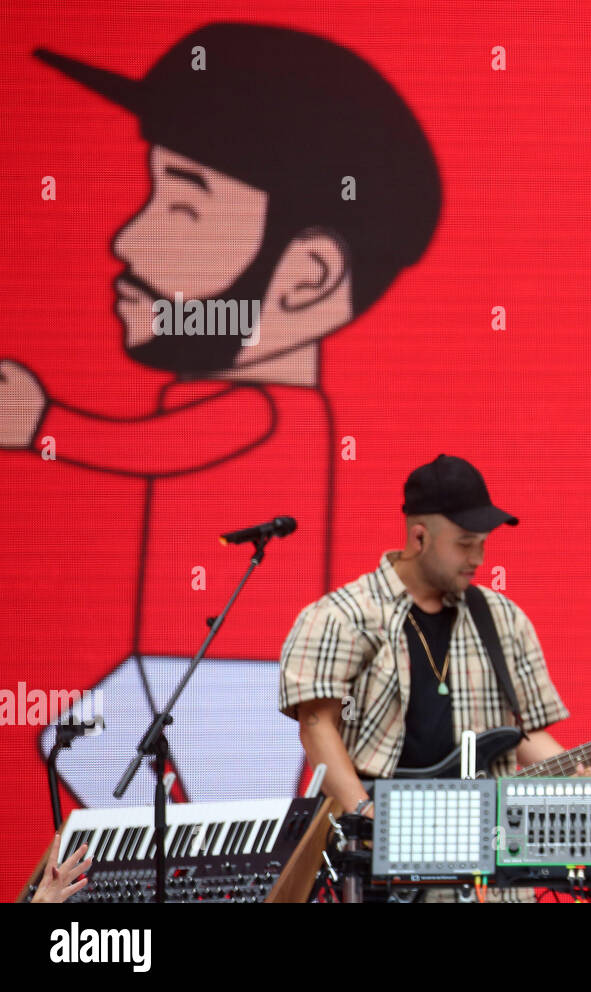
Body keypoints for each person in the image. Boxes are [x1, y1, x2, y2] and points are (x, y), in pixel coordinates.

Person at [0, 23, 443, 805]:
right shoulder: (205, 391)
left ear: (307, 275)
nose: (129, 239)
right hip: (177, 674)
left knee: (215, 834)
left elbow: (154, 449)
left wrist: (42, 424)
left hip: (240, 684)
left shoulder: (270, 408)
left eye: (184, 207)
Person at [279, 454, 591, 902]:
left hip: (484, 868)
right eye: (464, 544)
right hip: (380, 866)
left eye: (482, 543)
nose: (478, 558)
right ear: (419, 537)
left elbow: (519, 734)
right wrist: (365, 814)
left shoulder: (502, 619)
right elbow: (317, 727)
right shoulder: (343, 616)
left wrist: (579, 775)